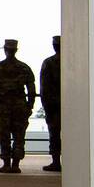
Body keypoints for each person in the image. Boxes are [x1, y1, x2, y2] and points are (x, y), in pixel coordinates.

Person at [0, 39, 37, 173]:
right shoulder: (24, 67)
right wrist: (29, 106)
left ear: (5, 50)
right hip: (20, 107)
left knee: (3, 136)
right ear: (16, 50)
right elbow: (31, 90)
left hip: (2, 108)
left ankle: (6, 164)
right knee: (19, 136)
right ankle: (15, 164)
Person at [40, 35, 61, 171]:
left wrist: (46, 107)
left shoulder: (48, 62)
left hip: (53, 106)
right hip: (72, 105)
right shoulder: (73, 61)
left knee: (54, 134)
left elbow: (44, 88)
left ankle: (56, 161)